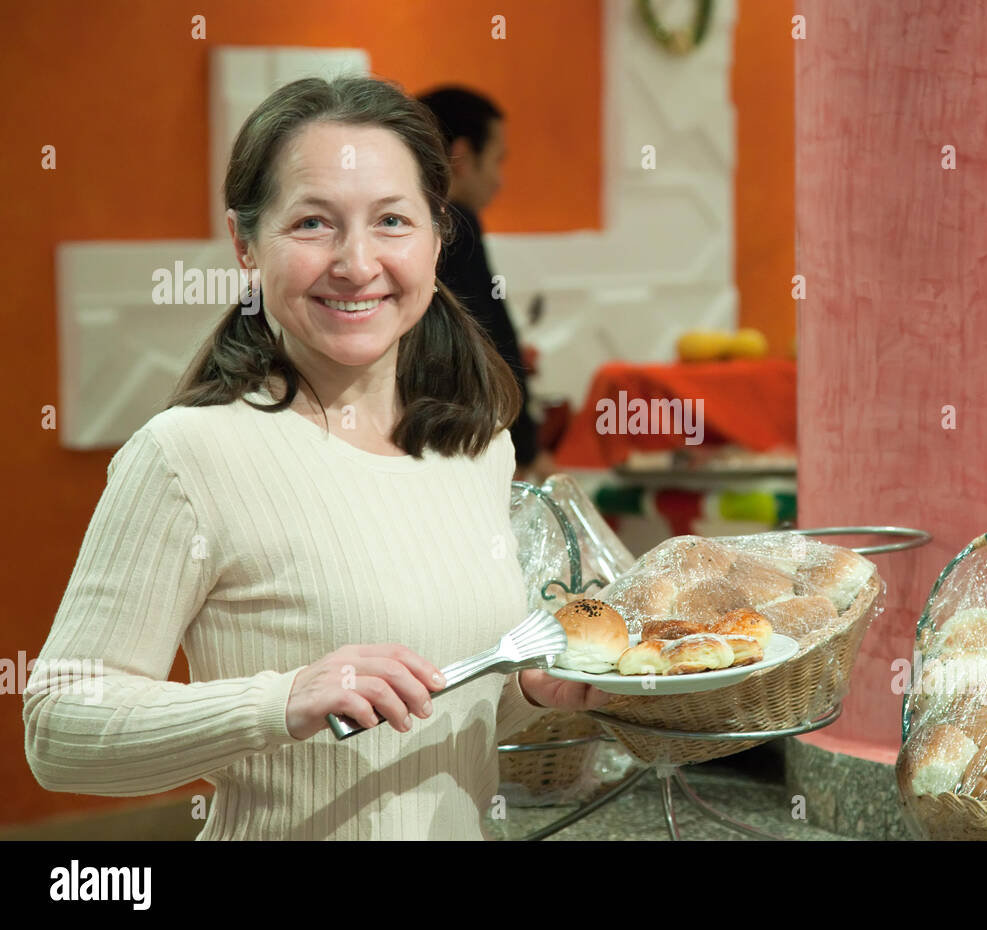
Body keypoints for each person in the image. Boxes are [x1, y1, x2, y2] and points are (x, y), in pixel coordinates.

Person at [22, 75, 608, 841]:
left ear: (438, 236)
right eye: (313, 224)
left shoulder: (476, 445)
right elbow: (59, 728)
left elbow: (445, 711)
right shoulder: (188, 455)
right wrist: (283, 700)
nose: (357, 263)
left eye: (392, 221)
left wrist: (533, 695)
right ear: (244, 243)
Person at [416, 85, 554, 481]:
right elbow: (489, 338)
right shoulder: (455, 223)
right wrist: (526, 446)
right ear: (462, 157)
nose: (499, 180)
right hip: (459, 444)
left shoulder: (405, 227)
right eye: (496, 160)